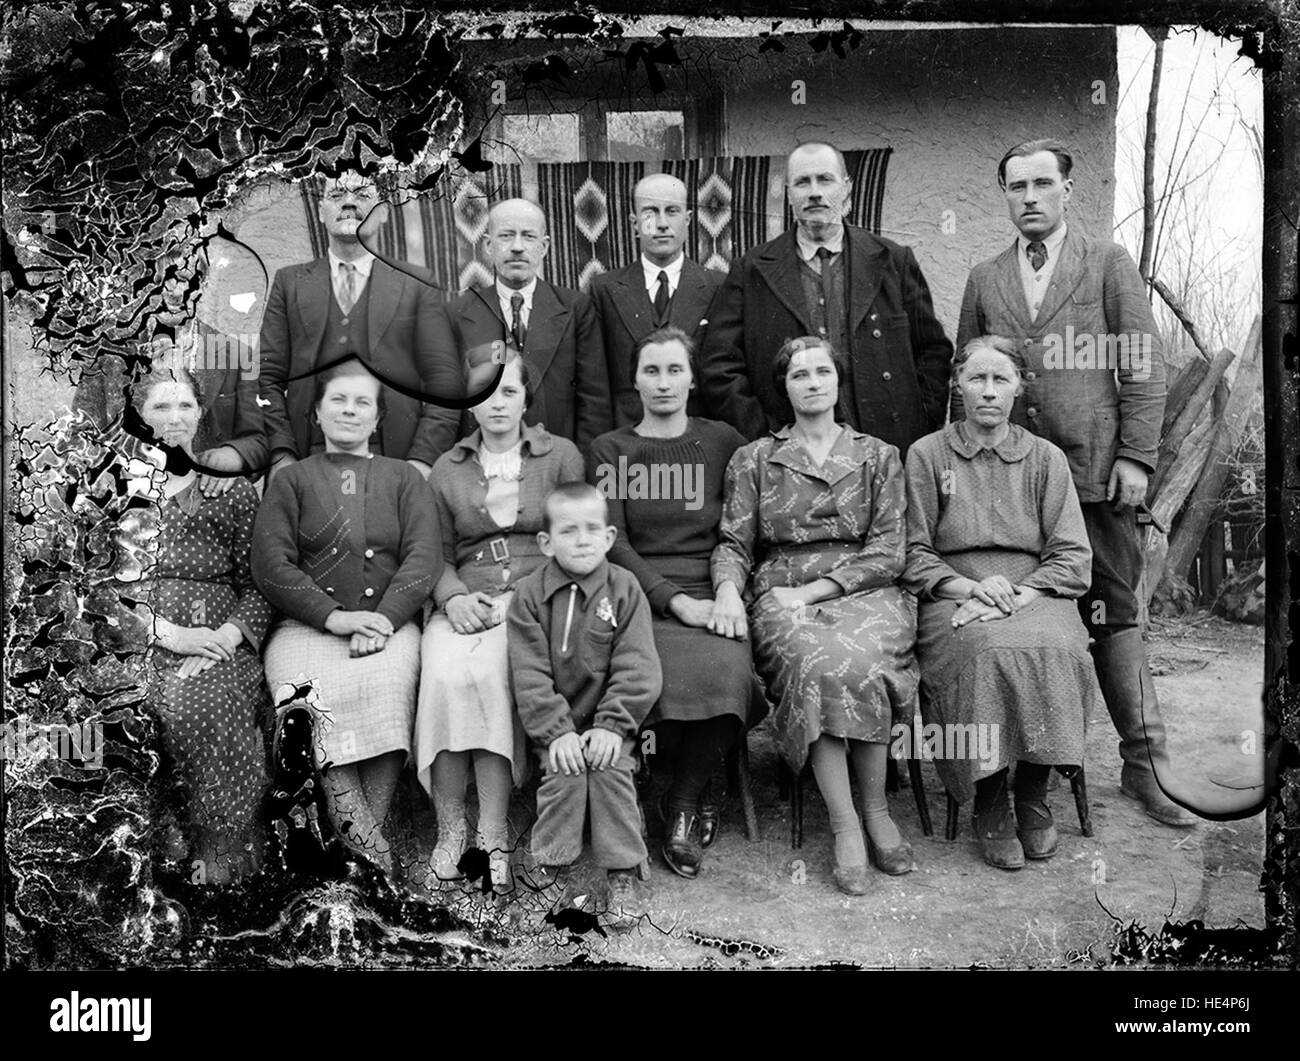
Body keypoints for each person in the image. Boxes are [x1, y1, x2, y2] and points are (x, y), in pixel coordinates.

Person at [955, 138, 1193, 827]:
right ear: (1003, 196)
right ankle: (1026, 776)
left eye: (1041, 184)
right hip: (1010, 485)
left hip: (1093, 477)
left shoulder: (1107, 264)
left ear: (1067, 190)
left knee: (1114, 617)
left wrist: (1137, 458)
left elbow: (1144, 364)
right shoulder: (984, 276)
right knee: (1026, 621)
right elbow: (966, 378)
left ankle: (1147, 767)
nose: (1028, 197)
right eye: (1015, 186)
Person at [712, 337, 919, 895]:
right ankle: (846, 823)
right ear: (784, 386)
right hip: (781, 590)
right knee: (816, 661)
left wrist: (821, 591)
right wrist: (729, 591)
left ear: (837, 381)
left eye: (822, 371)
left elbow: (889, 550)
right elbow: (734, 541)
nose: (812, 382)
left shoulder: (879, 456)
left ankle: (876, 810)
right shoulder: (755, 459)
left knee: (863, 657)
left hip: (868, 589)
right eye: (798, 374)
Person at [904, 336, 1103, 869]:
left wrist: (1019, 594)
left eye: (1000, 380)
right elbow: (913, 553)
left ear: (1019, 386)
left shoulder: (1045, 458)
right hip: (954, 596)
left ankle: (1032, 793)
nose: (988, 392)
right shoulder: (927, 455)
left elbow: (1072, 557)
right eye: (976, 379)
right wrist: (971, 590)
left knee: (1059, 648)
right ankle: (989, 800)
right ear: (958, 385)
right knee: (986, 651)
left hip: (1035, 592)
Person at [252, 359, 442, 874]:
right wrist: (334, 618)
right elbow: (271, 565)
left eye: (363, 403)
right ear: (316, 413)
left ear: (378, 419)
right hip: (304, 629)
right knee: (311, 710)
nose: (350, 411)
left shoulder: (403, 478)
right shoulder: (291, 481)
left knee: (388, 691)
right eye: (338, 400)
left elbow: (424, 558)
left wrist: (382, 619)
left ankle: (359, 860)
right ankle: (378, 862)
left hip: (387, 625)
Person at [586, 326, 761, 879]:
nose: (663, 383)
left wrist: (726, 591)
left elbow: (742, 528)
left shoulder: (723, 442)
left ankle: (683, 798)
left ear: (691, 379)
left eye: (674, 370)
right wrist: (675, 604)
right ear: (635, 380)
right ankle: (686, 783)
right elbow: (614, 543)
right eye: (651, 371)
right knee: (648, 669)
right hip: (637, 590)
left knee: (727, 668)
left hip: (714, 585)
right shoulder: (612, 449)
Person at [415, 353, 584, 891]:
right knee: (441, 672)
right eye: (485, 393)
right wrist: (454, 598)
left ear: (526, 399)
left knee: (487, 671)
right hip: (468, 598)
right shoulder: (448, 469)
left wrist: (526, 598)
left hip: (539, 598)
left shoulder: (560, 457)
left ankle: (491, 830)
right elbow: (434, 554)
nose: (496, 404)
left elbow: (576, 541)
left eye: (508, 392)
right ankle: (449, 829)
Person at [700, 141, 952, 454]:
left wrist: (918, 430)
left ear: (846, 189)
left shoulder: (892, 261)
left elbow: (933, 354)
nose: (815, 192)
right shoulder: (752, 270)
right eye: (803, 182)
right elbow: (718, 365)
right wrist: (766, 435)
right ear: (789, 193)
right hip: (790, 457)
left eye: (825, 180)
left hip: (886, 449)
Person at [128, 365, 273, 883]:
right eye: (160, 407)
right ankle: (150, 851)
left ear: (199, 415)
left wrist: (224, 638)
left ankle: (221, 850)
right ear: (138, 417)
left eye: (184, 405)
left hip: (216, 642)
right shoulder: (116, 493)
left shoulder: (230, 492)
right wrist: (169, 634)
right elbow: (98, 590)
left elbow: (259, 585)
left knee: (203, 703)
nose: (174, 417)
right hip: (136, 637)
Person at [507, 482, 663, 931]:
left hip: (613, 725)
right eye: (569, 530)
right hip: (553, 728)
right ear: (546, 542)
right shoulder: (530, 595)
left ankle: (624, 874)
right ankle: (549, 873)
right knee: (565, 777)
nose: (582, 539)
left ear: (610, 537)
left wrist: (612, 726)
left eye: (593, 529)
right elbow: (530, 673)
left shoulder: (625, 588)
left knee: (612, 774)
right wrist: (557, 733)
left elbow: (638, 666)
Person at [257, 170, 463, 481]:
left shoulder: (417, 284)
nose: (349, 203)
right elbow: (267, 378)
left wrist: (422, 460)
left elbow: (444, 382)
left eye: (363, 194)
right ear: (321, 211)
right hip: (307, 459)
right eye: (337, 195)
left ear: (382, 213)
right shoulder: (289, 282)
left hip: (395, 461)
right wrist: (283, 453)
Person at [430, 198, 612, 451]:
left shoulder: (576, 309)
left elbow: (594, 401)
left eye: (528, 236)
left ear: (544, 246)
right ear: (488, 246)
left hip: (556, 461)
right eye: (505, 236)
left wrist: (581, 470)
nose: (517, 247)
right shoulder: (457, 315)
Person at [589, 173, 724, 427]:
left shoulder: (719, 286)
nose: (662, 223)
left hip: (697, 439)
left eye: (672, 211)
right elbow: (596, 382)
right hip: (628, 442)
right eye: (650, 212)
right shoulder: (604, 289)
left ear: (688, 220)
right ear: (635, 223)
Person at [74, 326, 264, 497]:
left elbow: (262, 438)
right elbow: (80, 434)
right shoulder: (108, 351)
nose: (173, 288)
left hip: (205, 500)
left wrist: (235, 456)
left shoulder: (238, 355)